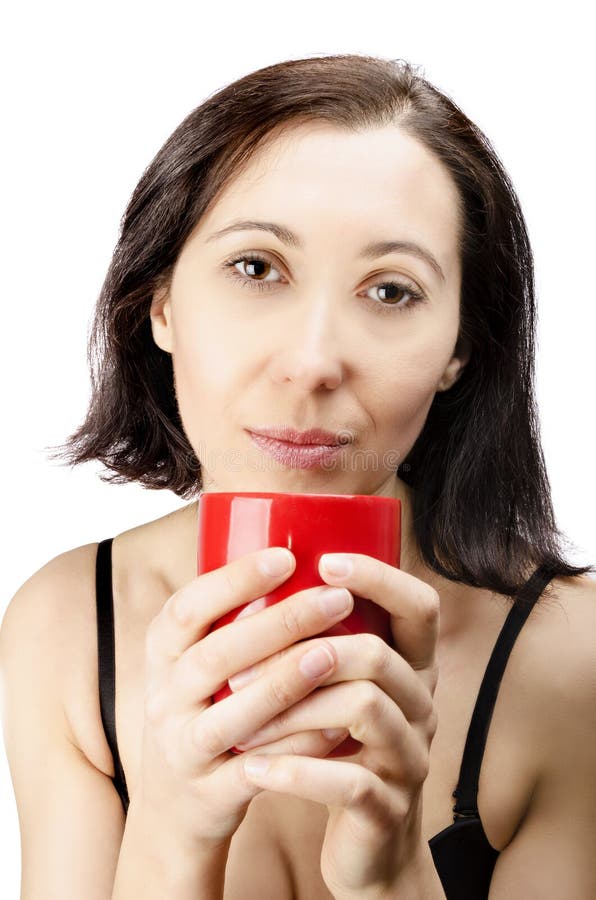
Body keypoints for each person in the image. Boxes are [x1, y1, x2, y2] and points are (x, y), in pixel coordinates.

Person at [1, 52, 595, 900]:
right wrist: (171, 835)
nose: (315, 362)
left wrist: (392, 878)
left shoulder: (567, 655)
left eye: (390, 291)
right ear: (160, 302)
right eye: (256, 268)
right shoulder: (65, 625)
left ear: (461, 346)